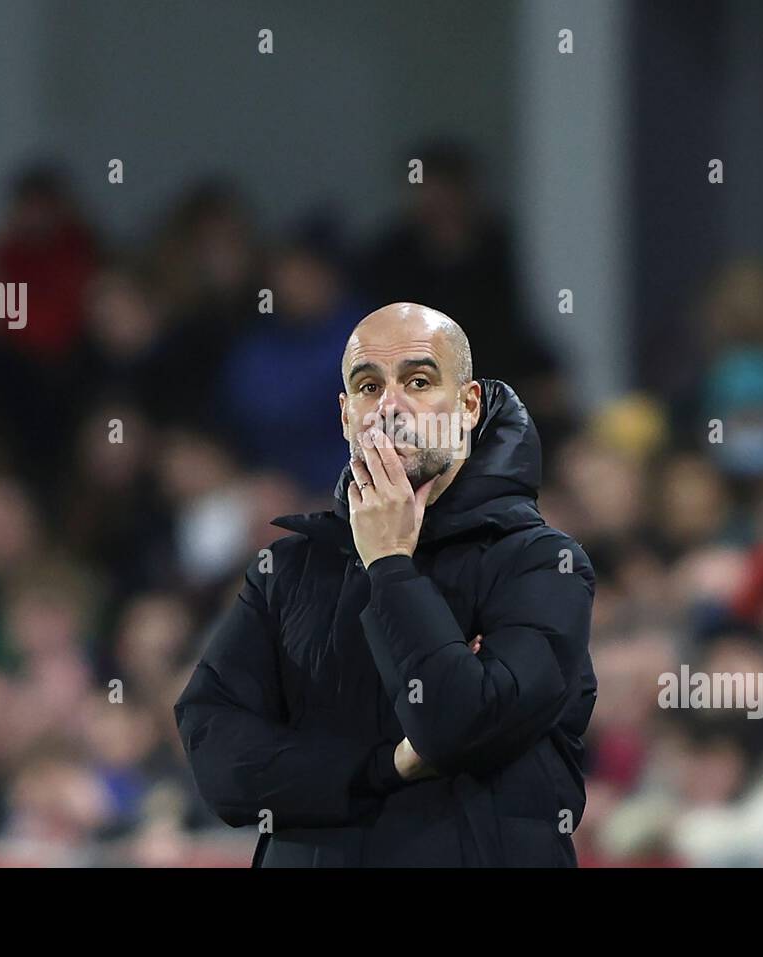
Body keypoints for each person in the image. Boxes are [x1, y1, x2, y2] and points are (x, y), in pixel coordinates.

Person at [174, 302, 597, 866]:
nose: (391, 407)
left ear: (469, 405)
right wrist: (386, 765)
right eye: (369, 387)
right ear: (347, 415)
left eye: (418, 381)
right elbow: (220, 761)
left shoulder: (543, 565)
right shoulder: (287, 572)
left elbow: (457, 726)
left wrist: (391, 563)